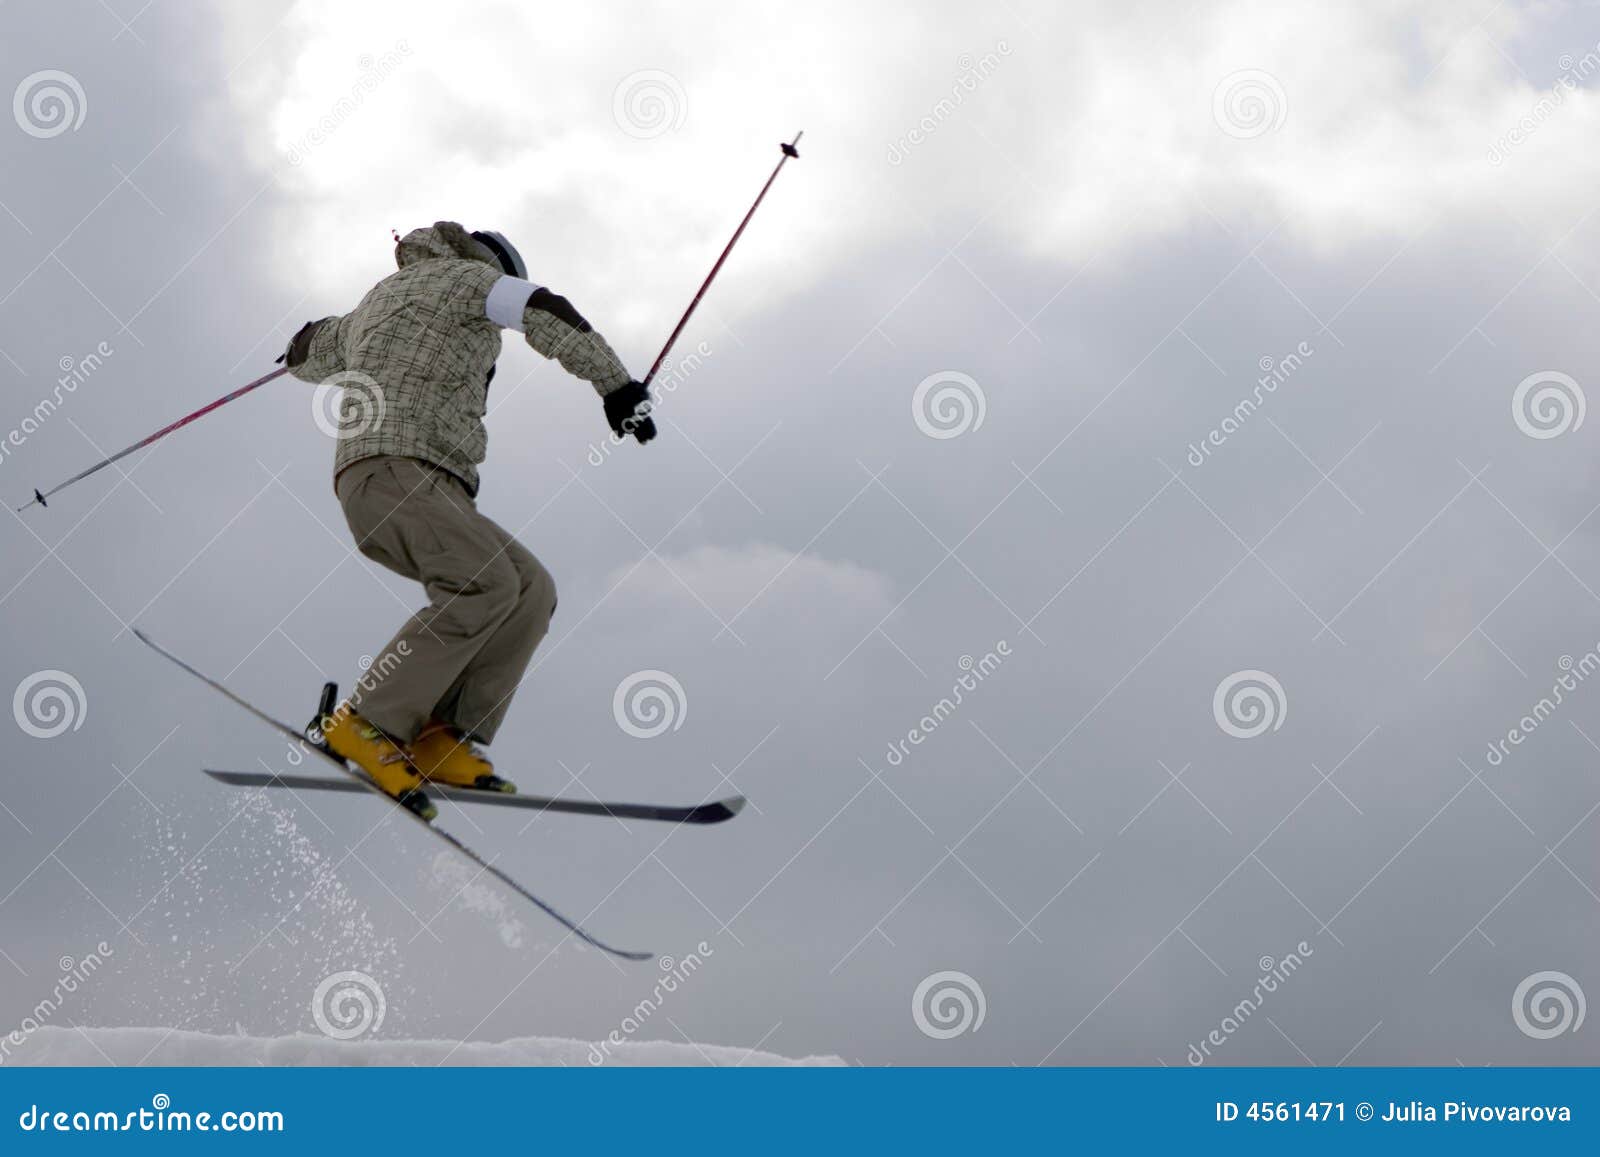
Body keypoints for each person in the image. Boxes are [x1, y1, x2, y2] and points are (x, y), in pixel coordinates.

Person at [282, 221, 655, 819]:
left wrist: (295, 350)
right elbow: (542, 309)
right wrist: (616, 387)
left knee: (531, 589)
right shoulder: (474, 280)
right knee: (485, 582)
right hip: (393, 470)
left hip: (422, 482)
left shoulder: (375, 301)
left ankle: (439, 734)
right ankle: (366, 723)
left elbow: (312, 347)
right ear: (495, 264)